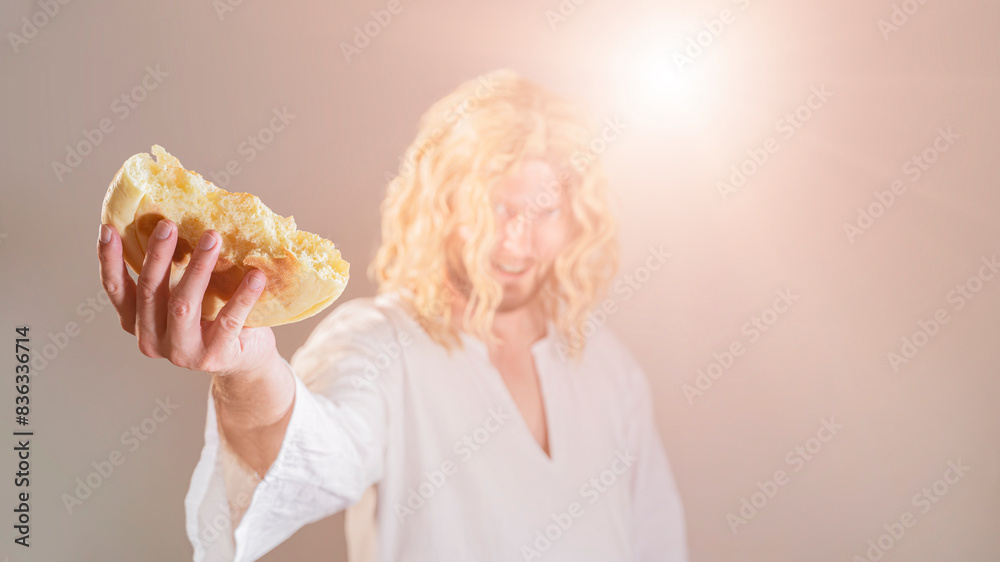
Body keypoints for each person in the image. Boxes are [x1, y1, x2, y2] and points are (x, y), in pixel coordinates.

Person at [97, 69, 688, 562]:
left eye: (545, 211)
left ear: (578, 219)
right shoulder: (380, 341)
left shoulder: (609, 368)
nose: (515, 239)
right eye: (494, 206)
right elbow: (312, 456)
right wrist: (249, 371)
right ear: (442, 205)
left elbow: (658, 540)